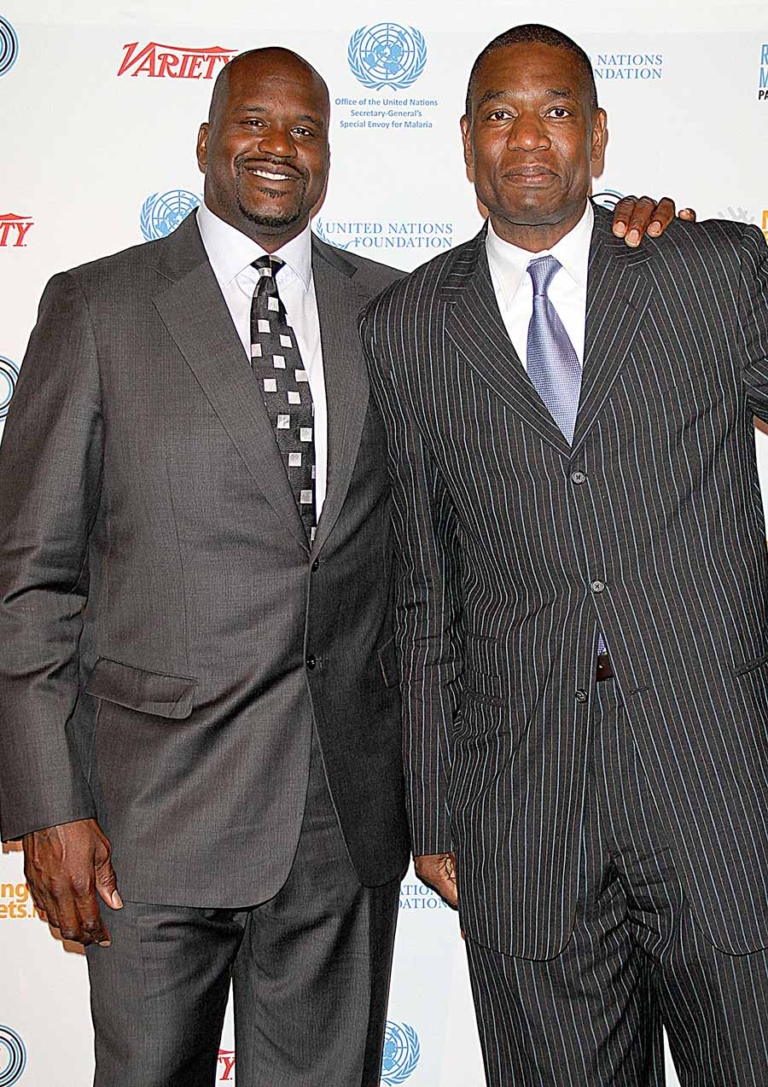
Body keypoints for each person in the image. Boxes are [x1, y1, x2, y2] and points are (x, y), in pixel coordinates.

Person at [0, 40, 686, 1087]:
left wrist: (648, 243)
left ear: (329, 156)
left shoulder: (399, 312)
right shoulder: (96, 308)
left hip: (341, 818)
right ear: (203, 140)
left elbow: (442, 566)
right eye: (254, 122)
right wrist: (52, 803)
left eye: (307, 129)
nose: (280, 146)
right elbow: (31, 580)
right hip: (147, 823)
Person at [361, 23, 768, 1087]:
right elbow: (422, 585)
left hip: (719, 780)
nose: (527, 136)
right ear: (464, 141)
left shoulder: (708, 272)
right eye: (500, 111)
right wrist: (437, 804)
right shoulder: (406, 326)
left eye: (554, 109)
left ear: (596, 132)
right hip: (521, 802)